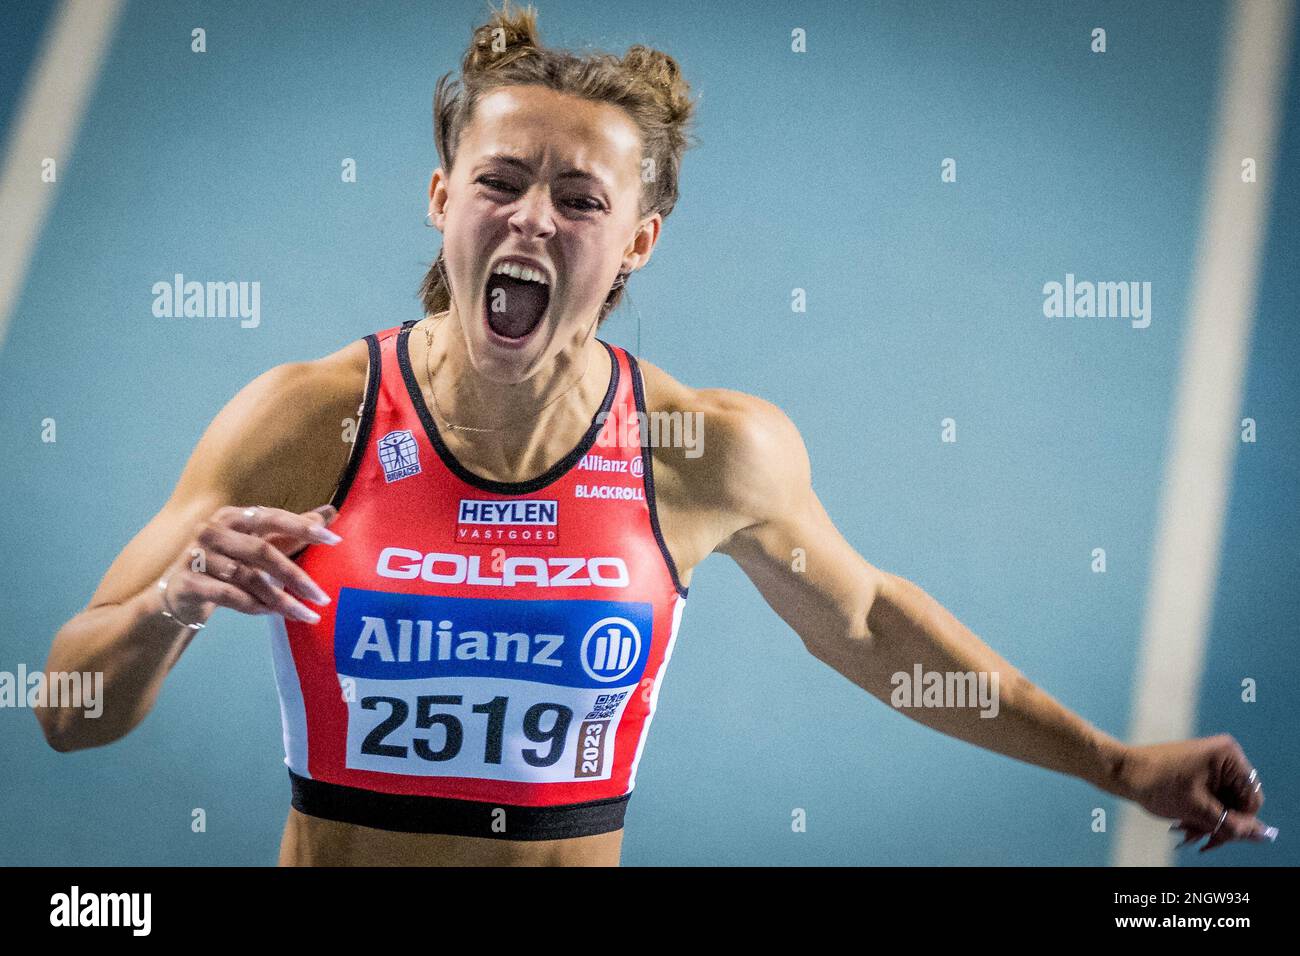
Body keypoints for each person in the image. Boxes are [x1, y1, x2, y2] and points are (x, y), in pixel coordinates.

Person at [36, 1, 1274, 867]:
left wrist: (1117, 766)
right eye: (499, 180)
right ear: (440, 201)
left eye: (580, 200)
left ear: (636, 242)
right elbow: (66, 709)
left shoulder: (701, 448)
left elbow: (871, 626)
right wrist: (172, 605)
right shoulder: (314, 419)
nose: (531, 219)